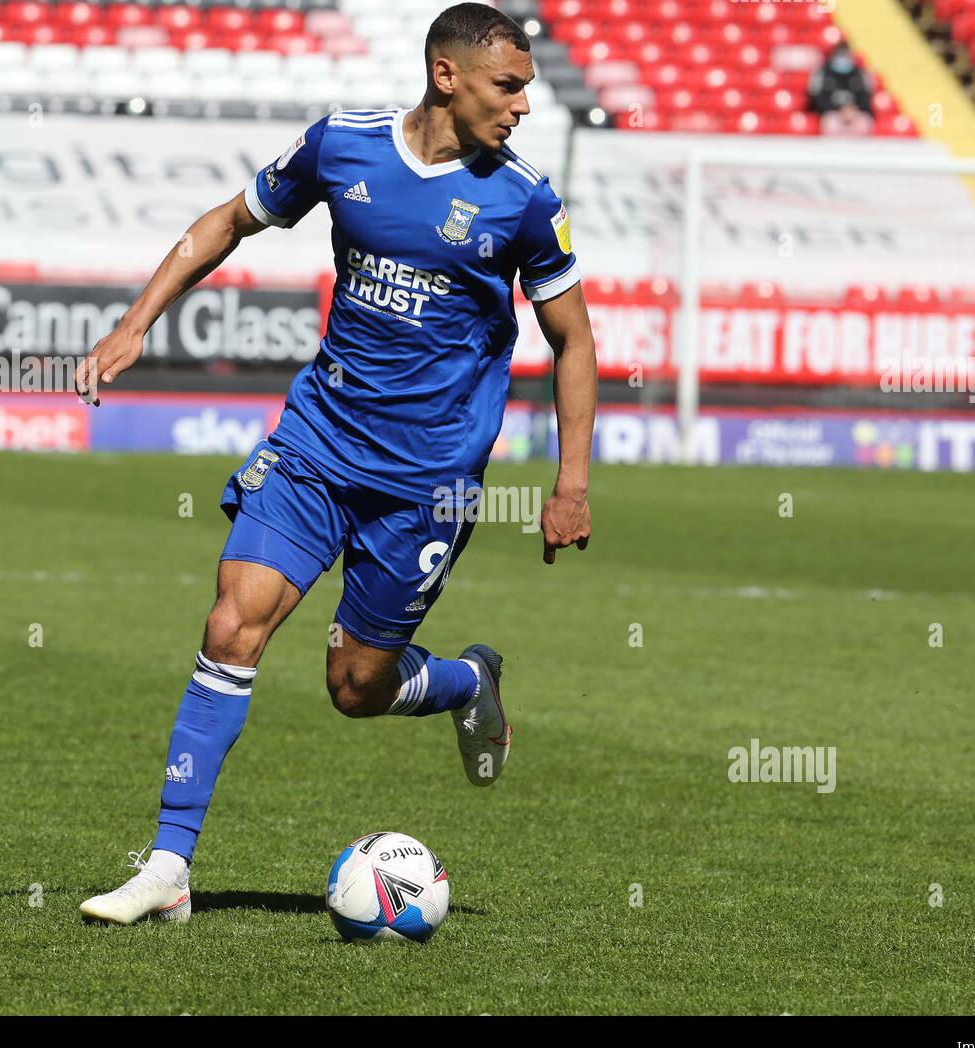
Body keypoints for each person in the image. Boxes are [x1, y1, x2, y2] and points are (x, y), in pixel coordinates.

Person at [75, 2, 597, 924]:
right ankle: (167, 866)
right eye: (507, 85)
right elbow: (229, 221)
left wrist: (571, 484)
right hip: (315, 446)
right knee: (232, 625)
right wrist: (133, 323)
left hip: (427, 483)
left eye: (525, 88)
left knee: (357, 688)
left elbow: (574, 340)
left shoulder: (524, 200)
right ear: (447, 76)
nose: (522, 105)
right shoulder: (343, 146)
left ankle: (469, 680)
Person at [807, 43, 875, 136]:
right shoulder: (823, 72)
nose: (843, 59)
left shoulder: (859, 74)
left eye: (845, 55)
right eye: (840, 55)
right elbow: (817, 97)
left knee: (864, 122)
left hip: (855, 114)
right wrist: (838, 110)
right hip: (832, 113)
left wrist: (854, 110)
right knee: (830, 122)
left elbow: (866, 95)